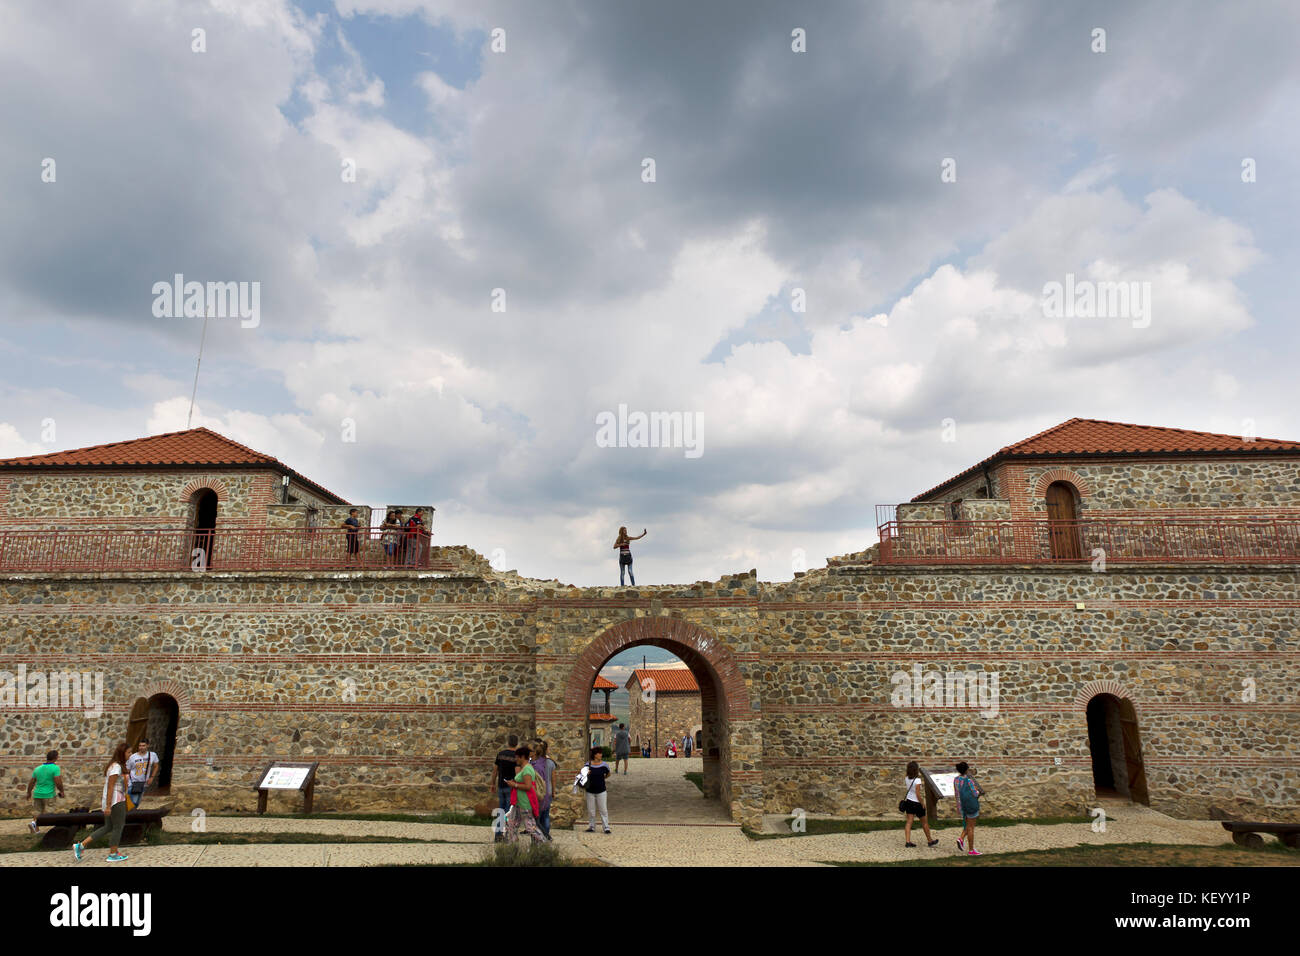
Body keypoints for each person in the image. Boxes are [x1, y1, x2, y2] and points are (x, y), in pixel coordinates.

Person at [74, 741, 129, 863]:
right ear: (122, 753)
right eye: (129, 752)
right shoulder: (116, 767)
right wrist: (109, 806)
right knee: (118, 827)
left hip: (111, 800)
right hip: (116, 801)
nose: (130, 754)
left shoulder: (113, 765)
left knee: (108, 826)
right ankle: (113, 854)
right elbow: (111, 787)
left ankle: (81, 846)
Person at [503, 745, 549, 843]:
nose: (516, 759)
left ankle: (544, 843)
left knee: (530, 827)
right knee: (510, 823)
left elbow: (528, 786)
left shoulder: (527, 769)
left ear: (522, 757)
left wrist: (514, 785)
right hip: (518, 803)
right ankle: (512, 845)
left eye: (517, 757)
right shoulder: (525, 768)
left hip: (525, 803)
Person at [901, 761, 939, 848]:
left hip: (909, 801)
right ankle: (930, 840)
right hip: (917, 803)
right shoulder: (917, 780)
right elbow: (918, 794)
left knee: (909, 822)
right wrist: (922, 803)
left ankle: (907, 841)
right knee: (924, 823)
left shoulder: (906, 778)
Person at [489, 734, 520, 842]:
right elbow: (517, 773)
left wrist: (492, 784)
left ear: (508, 742)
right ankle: (507, 834)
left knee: (501, 811)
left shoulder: (500, 754)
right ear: (517, 743)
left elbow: (495, 771)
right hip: (511, 787)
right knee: (509, 812)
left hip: (501, 786)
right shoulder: (517, 756)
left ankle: (498, 834)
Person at [27, 749, 65, 833]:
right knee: (49, 813)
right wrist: (61, 791)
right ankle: (52, 830)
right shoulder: (55, 768)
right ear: (56, 758)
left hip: (37, 794)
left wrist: (29, 792)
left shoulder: (37, 769)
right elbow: (58, 781)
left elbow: (32, 781)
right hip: (48, 794)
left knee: (37, 812)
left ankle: (35, 827)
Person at [954, 761, 986, 856]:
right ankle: (971, 849)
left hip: (963, 805)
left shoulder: (956, 780)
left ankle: (961, 839)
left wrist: (959, 807)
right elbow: (975, 793)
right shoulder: (969, 781)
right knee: (971, 828)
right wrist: (977, 790)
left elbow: (957, 795)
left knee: (968, 825)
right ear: (967, 770)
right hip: (972, 806)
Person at [530, 739, 557, 838]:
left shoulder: (534, 764)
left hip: (539, 792)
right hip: (548, 791)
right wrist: (553, 791)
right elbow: (553, 779)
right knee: (546, 815)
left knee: (537, 816)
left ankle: (542, 836)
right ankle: (546, 834)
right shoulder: (551, 762)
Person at [583, 746, 612, 833]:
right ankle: (592, 826)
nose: (601, 754)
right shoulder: (587, 765)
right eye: (599, 753)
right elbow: (582, 775)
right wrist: (586, 773)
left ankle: (606, 827)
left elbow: (608, 774)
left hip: (601, 791)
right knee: (591, 810)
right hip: (590, 791)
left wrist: (603, 778)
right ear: (595, 755)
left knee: (603, 809)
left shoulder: (604, 765)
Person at [125, 738, 159, 808]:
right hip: (133, 783)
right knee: (132, 803)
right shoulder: (133, 757)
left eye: (143, 746)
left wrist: (152, 777)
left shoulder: (152, 755)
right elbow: (127, 770)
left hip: (143, 783)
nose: (141, 747)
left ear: (147, 746)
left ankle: (131, 816)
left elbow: (156, 766)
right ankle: (130, 816)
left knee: (137, 802)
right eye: (140, 746)